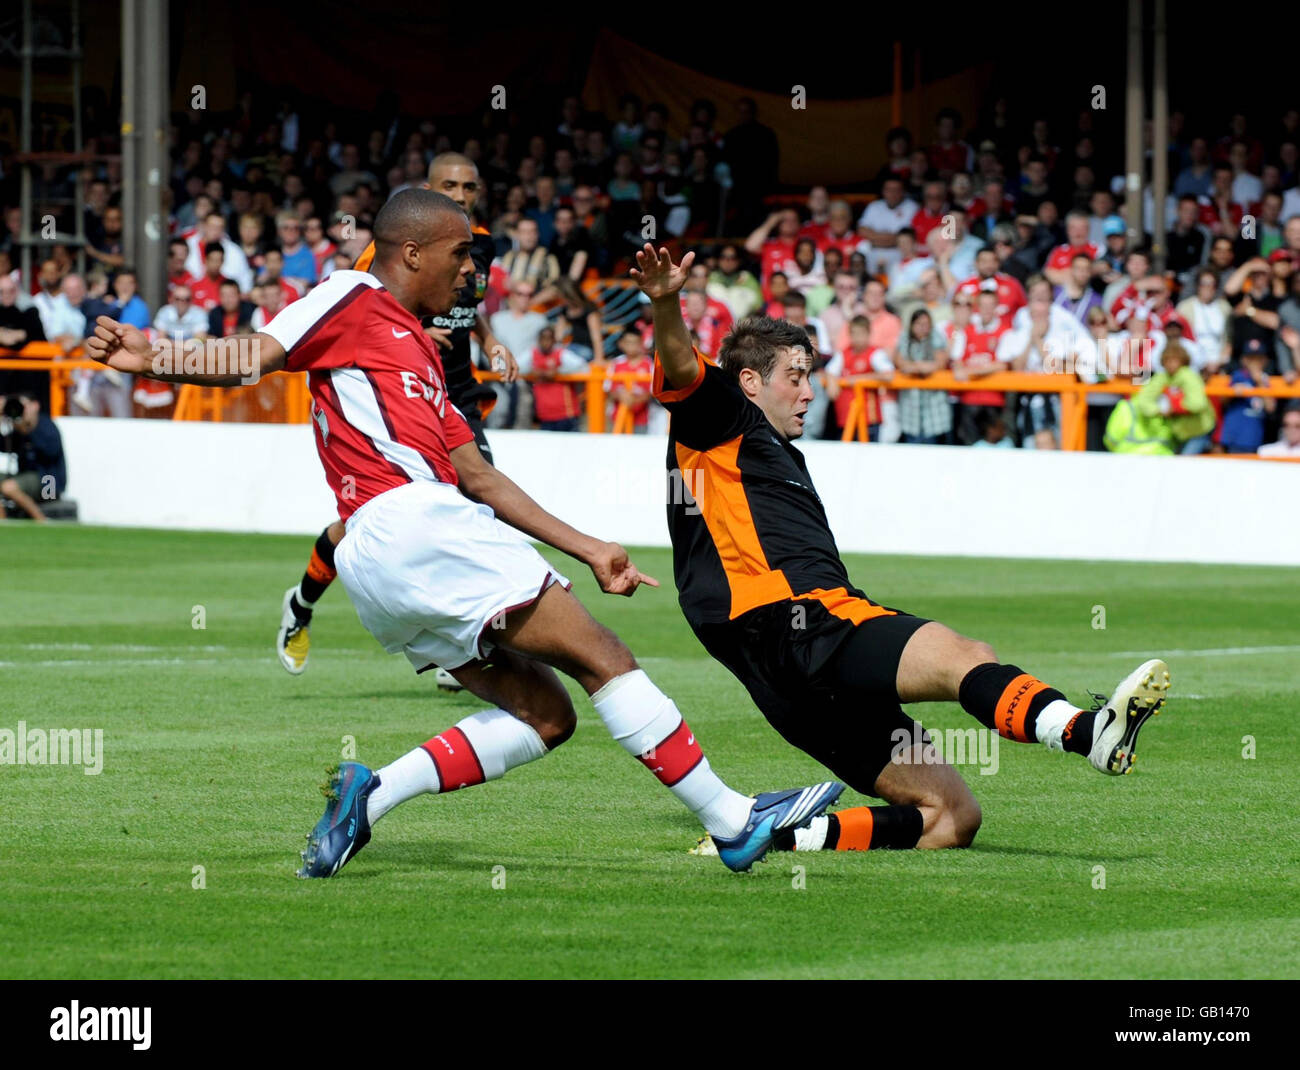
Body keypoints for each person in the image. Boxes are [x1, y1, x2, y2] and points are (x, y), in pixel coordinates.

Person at [87, 189, 843, 877]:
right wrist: (155, 356)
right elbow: (256, 355)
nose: (469, 271)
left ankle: (370, 797)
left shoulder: (418, 351)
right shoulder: (351, 296)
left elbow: (479, 476)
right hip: (410, 521)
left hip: (383, 560)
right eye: (459, 254)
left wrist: (588, 546)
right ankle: (734, 821)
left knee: (546, 717)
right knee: (602, 654)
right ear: (411, 251)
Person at [633, 243, 1170, 857]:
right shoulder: (723, 415)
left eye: (811, 375)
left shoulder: (759, 448)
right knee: (964, 655)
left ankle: (775, 835)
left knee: (949, 818)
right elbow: (680, 367)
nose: (809, 391)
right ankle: (1085, 733)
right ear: (749, 382)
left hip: (779, 669)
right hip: (798, 623)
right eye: (796, 376)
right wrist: (667, 302)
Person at [278, 155, 521, 684]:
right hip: (391, 390)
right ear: (429, 191)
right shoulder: (389, 246)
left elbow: (467, 303)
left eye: (469, 187)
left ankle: (461, 638)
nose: (460, 195)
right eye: (449, 186)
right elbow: (367, 306)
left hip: (456, 391)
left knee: (474, 494)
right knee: (370, 519)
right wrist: (411, 334)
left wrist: (489, 339)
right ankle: (301, 603)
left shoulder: (479, 245)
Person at [0, 392, 65, 521]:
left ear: (35, 406)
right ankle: (3, 523)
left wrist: (27, 428)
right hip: (25, 477)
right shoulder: (18, 428)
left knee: (8, 487)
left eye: (24, 405)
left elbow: (50, 452)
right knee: (8, 485)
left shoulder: (46, 425)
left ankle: (42, 521)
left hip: (49, 482)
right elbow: (4, 447)